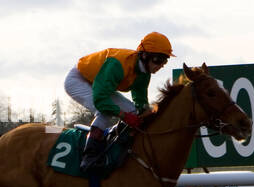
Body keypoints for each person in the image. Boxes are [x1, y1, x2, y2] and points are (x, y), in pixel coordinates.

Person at [65, 32, 174, 171]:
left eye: (165, 61)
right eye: (158, 60)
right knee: (105, 111)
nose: (161, 65)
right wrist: (123, 115)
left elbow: (140, 103)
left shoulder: (144, 73)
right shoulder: (117, 64)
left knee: (132, 111)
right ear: (145, 55)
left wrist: (149, 114)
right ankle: (89, 157)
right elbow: (100, 100)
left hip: (99, 83)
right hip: (78, 79)